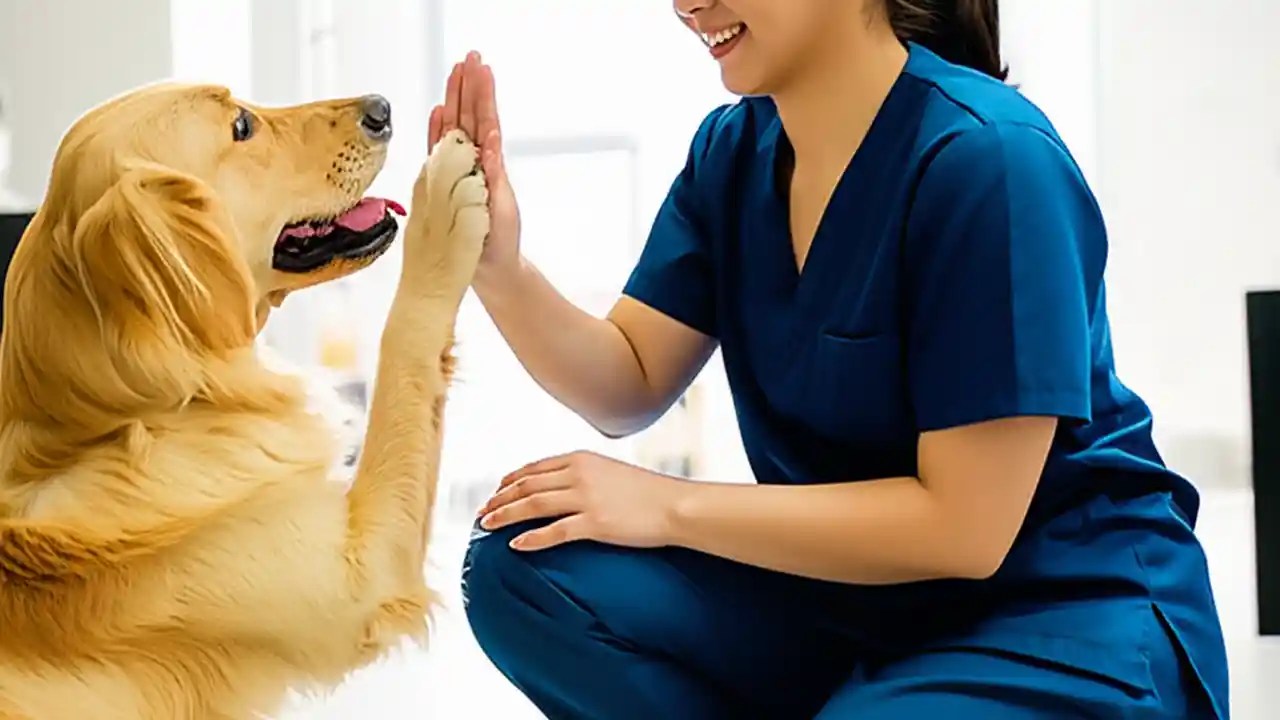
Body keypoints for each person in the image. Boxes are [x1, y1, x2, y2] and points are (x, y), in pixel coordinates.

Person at [436, 1, 1230, 717]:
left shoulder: (991, 161)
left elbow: (965, 528)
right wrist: (496, 266)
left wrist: (668, 506)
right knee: (523, 570)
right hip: (858, 604)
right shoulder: (734, 152)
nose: (687, 3)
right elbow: (628, 381)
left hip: (1062, 622)